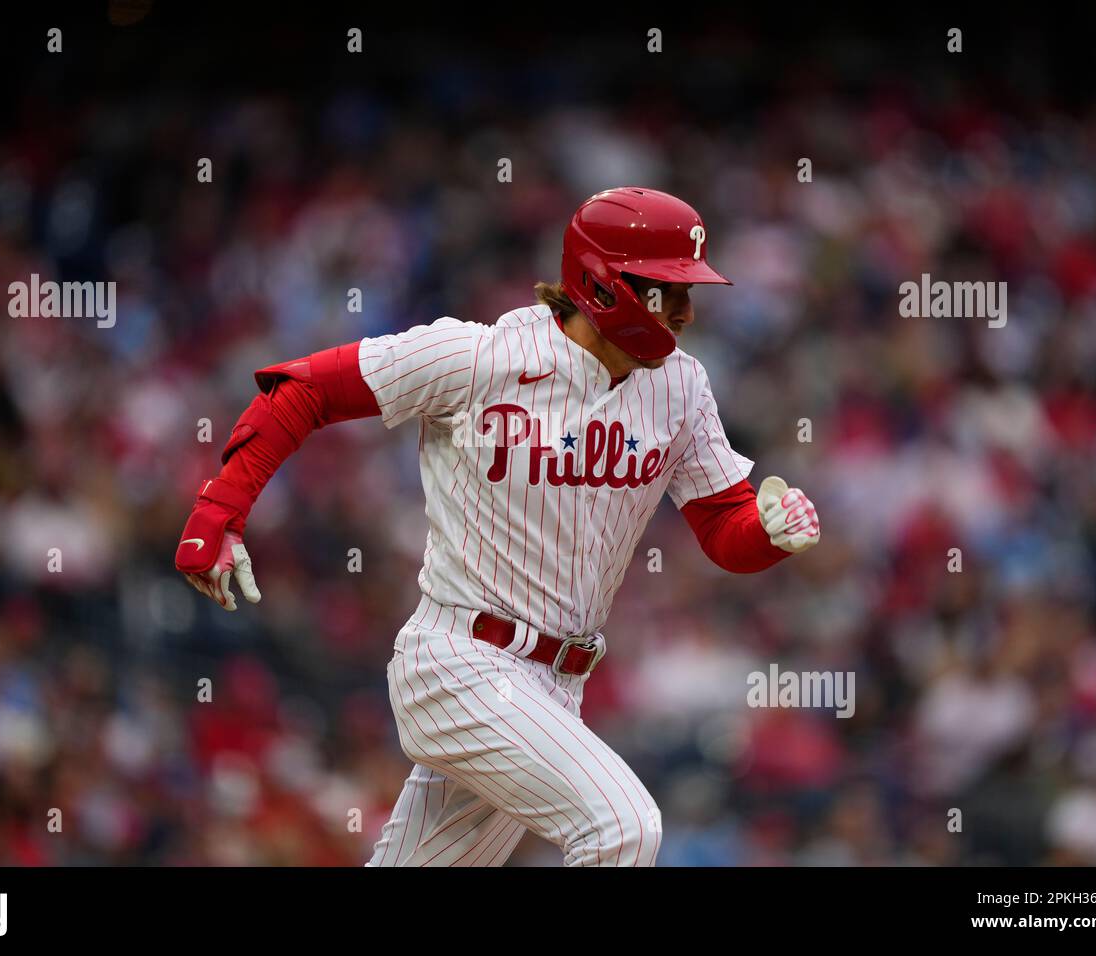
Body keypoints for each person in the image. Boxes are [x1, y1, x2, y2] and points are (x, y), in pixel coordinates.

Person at [175, 187, 822, 866]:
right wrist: (217, 514)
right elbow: (303, 388)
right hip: (459, 662)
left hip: (553, 688)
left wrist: (767, 533)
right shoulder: (481, 357)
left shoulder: (681, 388)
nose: (686, 313)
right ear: (603, 285)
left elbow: (724, 529)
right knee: (623, 827)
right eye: (667, 291)